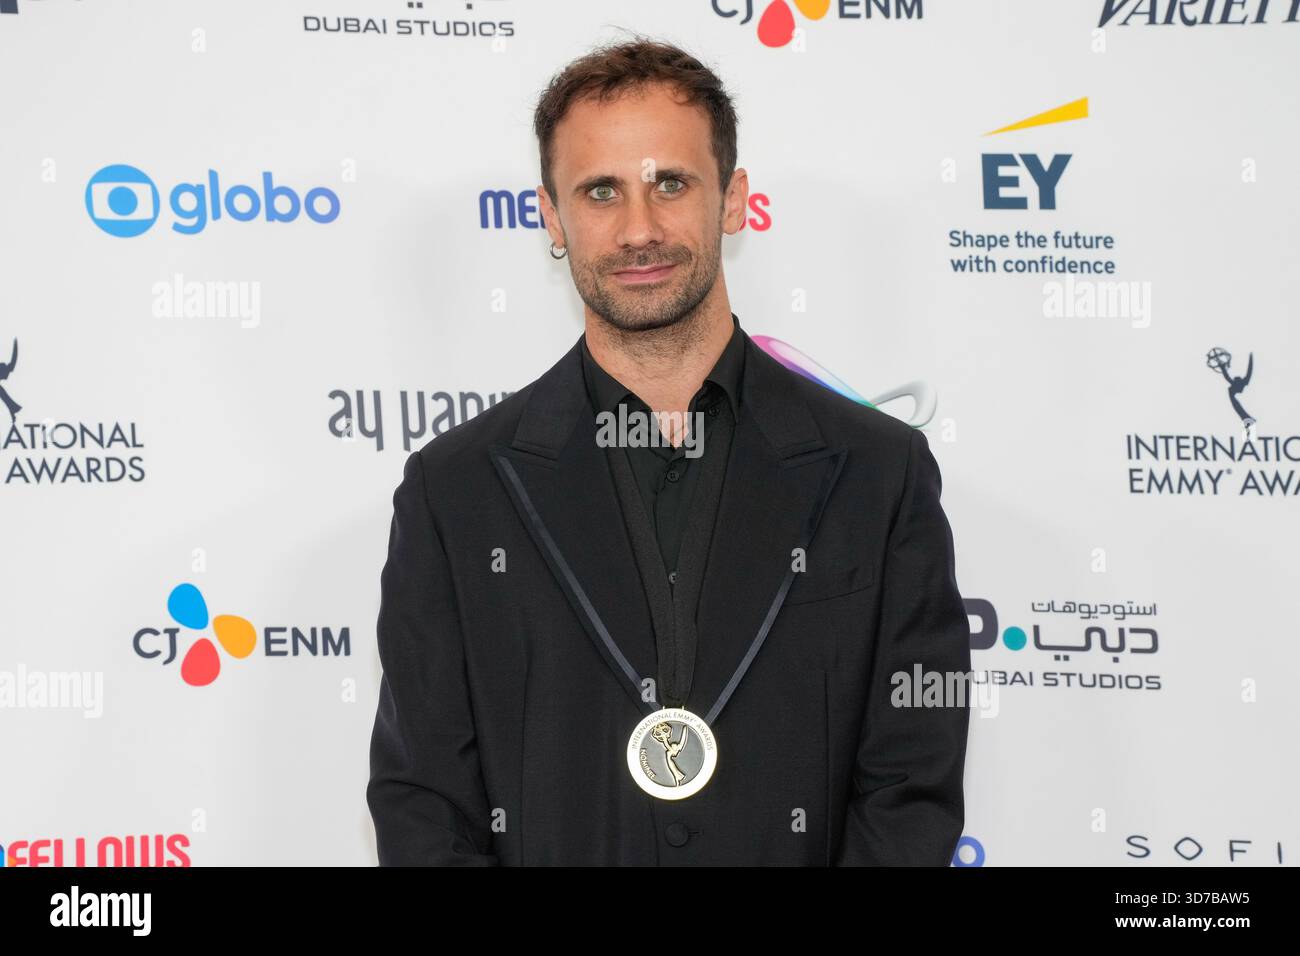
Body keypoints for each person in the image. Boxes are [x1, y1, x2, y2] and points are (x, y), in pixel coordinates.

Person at [366, 36, 971, 866]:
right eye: (602, 191)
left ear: (733, 200)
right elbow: (425, 802)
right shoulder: (454, 492)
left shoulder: (879, 473)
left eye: (671, 183)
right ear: (550, 216)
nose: (639, 229)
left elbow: (910, 787)